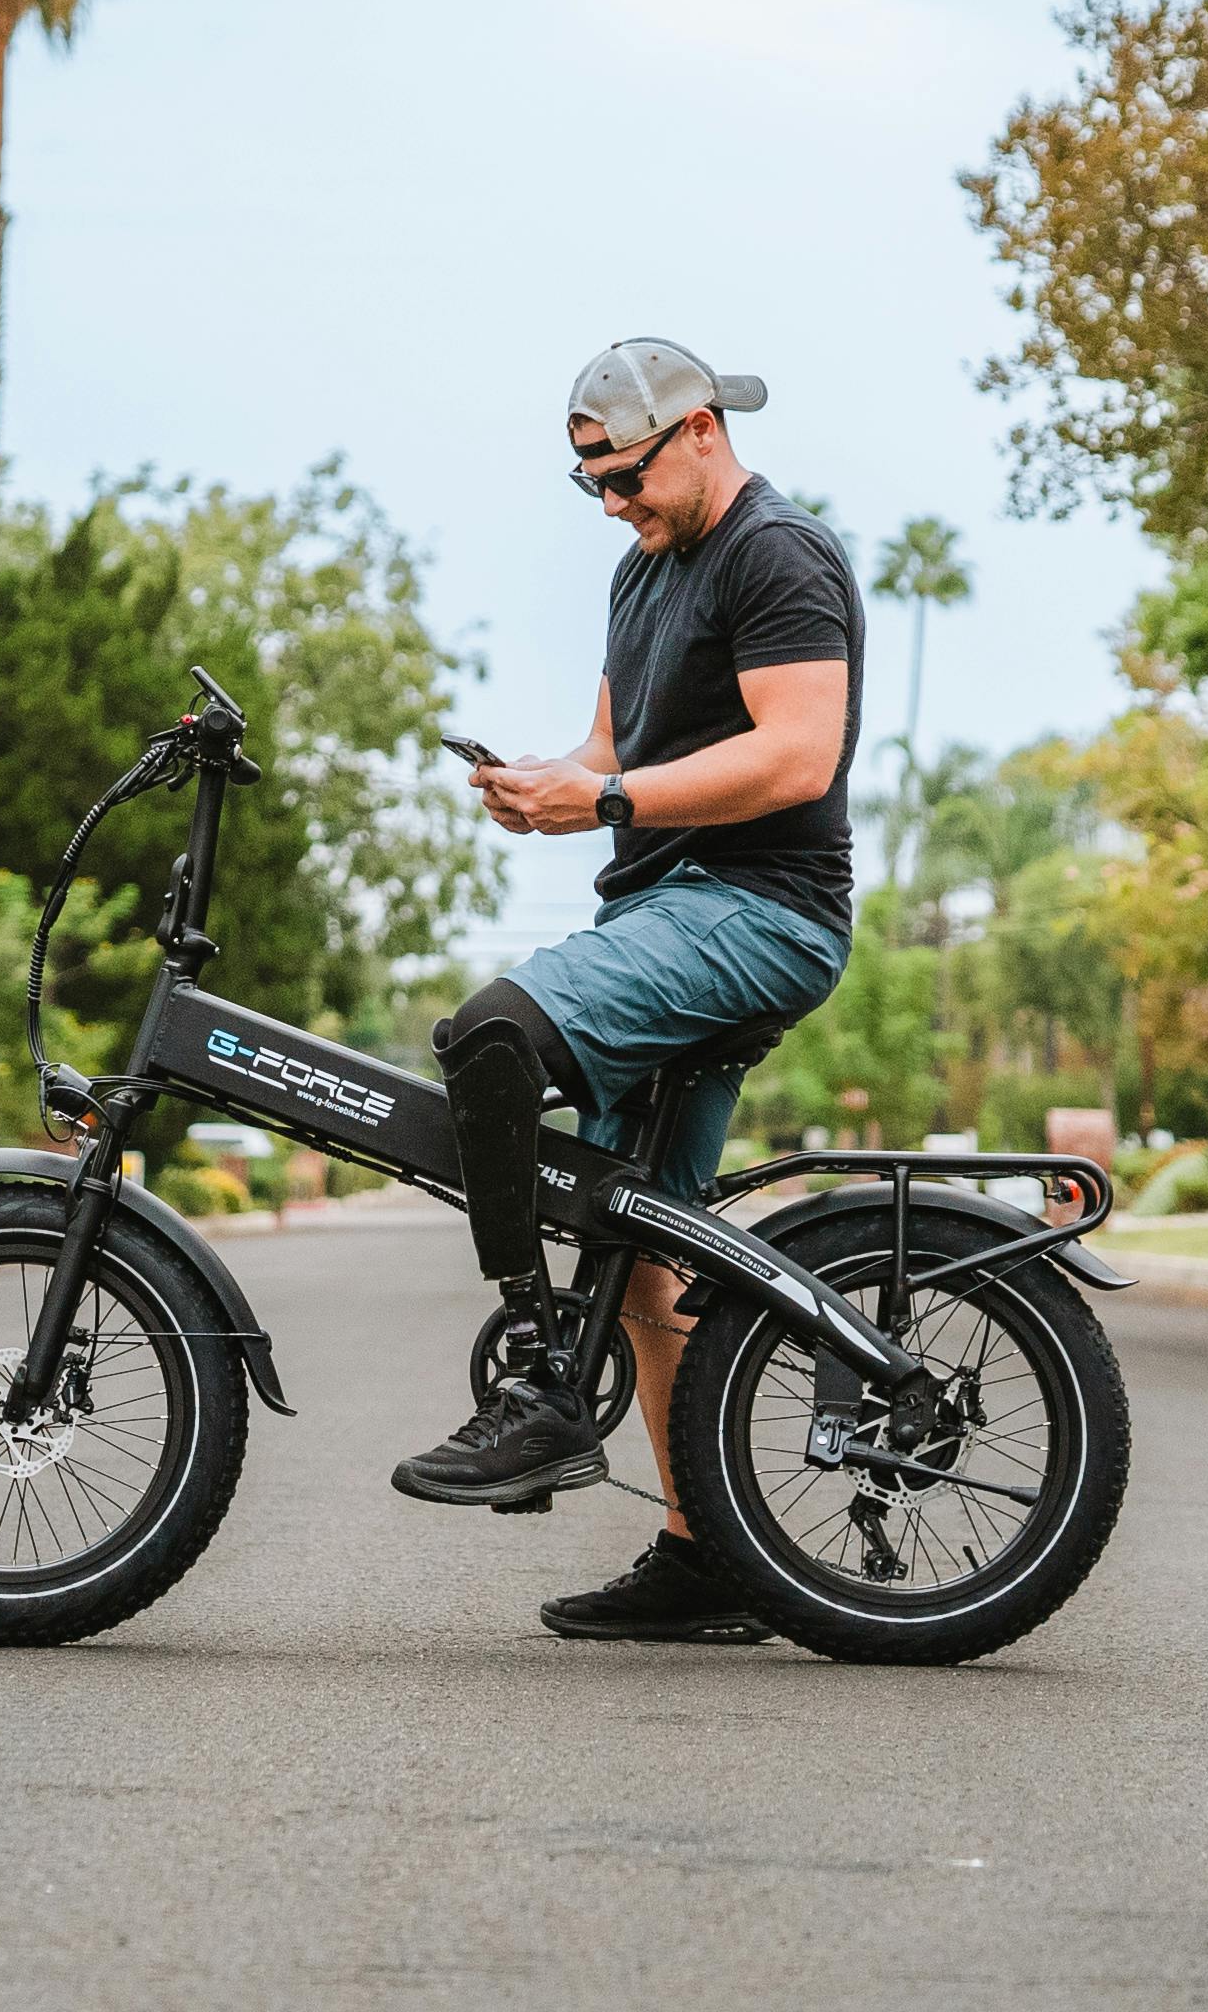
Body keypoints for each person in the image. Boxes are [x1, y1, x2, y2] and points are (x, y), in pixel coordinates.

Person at [390, 336, 864, 1644]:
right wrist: (549, 789)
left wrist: (603, 796)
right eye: (590, 484)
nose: (614, 504)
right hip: (663, 910)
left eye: (629, 477)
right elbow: (615, 752)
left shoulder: (778, 556)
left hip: (757, 913)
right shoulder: (639, 573)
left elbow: (795, 756)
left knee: (490, 1036)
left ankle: (540, 1383)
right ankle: (705, 1551)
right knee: (639, 1236)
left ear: (700, 428)